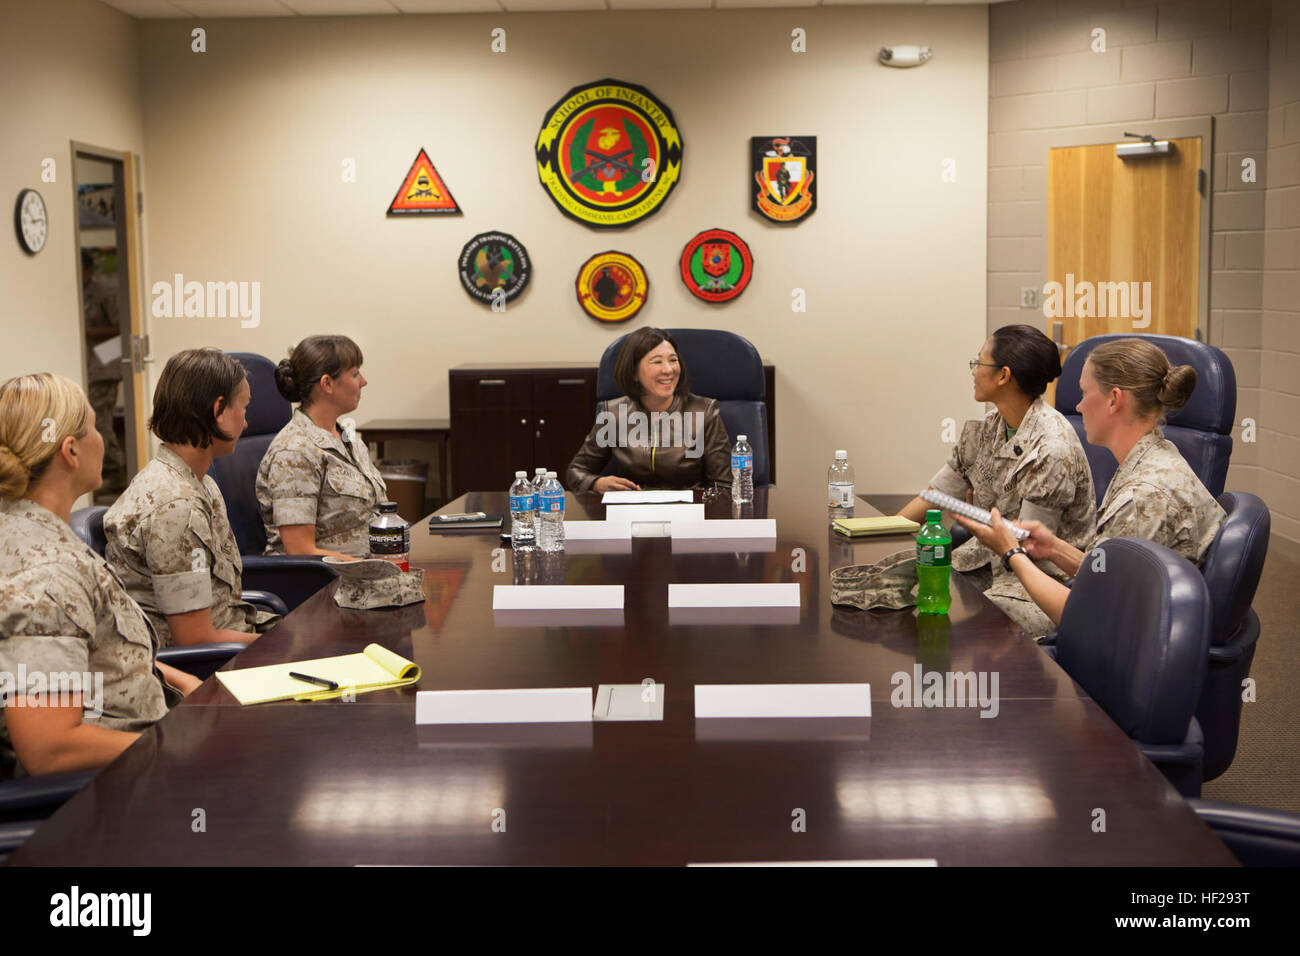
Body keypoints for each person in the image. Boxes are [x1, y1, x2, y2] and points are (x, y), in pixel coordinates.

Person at [0, 373, 199, 779]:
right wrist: (182, 746)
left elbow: (103, 659)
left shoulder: (30, 531)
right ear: (70, 451)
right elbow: (49, 748)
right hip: (117, 792)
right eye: (93, 426)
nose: (102, 439)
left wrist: (190, 687)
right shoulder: (46, 576)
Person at [955, 338, 1226, 628]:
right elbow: (1110, 571)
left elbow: (1089, 620)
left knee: (983, 619)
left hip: (1130, 646)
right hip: (1142, 615)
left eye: (1085, 393)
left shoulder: (1142, 497)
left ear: (1114, 400)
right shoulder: (1153, 457)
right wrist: (1054, 548)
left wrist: (1012, 552)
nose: (1079, 406)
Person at [897, 325, 1096, 636]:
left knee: (956, 631)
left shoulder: (1051, 447)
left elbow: (1026, 546)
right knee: (901, 596)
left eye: (979, 363)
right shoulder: (988, 427)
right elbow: (935, 495)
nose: (974, 371)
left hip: (1036, 582)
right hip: (985, 562)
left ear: (1003, 376)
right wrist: (883, 535)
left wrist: (981, 524)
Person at [105, 349, 278, 647]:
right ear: (219, 411)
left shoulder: (199, 483)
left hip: (233, 639)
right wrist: (282, 645)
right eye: (244, 409)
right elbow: (195, 640)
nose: (247, 423)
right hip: (210, 665)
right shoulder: (176, 506)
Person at [257, 335, 387, 559]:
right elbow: (300, 552)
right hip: (334, 585)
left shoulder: (349, 439)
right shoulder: (295, 451)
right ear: (327, 383)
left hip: (372, 572)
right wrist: (372, 568)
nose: (363, 381)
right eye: (355, 374)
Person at [566, 327, 731, 493]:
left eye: (673, 360)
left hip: (687, 512)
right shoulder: (615, 413)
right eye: (657, 362)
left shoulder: (704, 412)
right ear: (634, 373)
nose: (668, 369)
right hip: (632, 512)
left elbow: (724, 486)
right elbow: (576, 472)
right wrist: (596, 483)